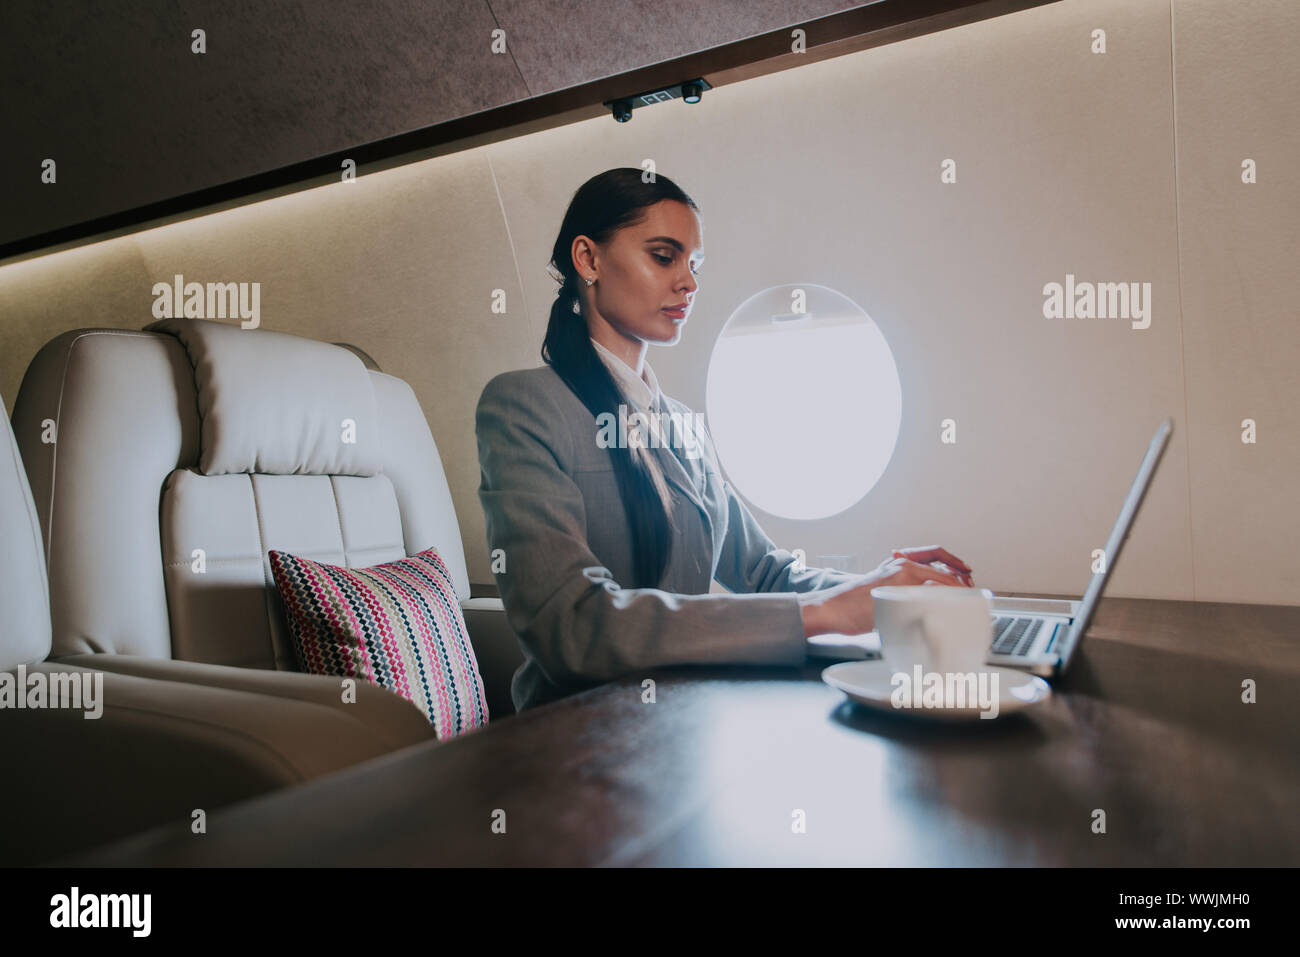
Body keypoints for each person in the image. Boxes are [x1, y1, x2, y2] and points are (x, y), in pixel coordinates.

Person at [475, 167, 975, 712]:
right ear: (588, 259)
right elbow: (572, 626)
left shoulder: (684, 427)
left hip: (686, 714)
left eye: (695, 264)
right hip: (575, 740)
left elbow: (763, 572)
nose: (689, 282)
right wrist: (826, 612)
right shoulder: (523, 406)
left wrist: (882, 588)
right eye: (665, 257)